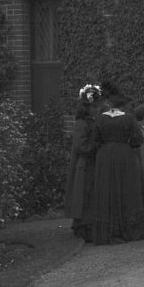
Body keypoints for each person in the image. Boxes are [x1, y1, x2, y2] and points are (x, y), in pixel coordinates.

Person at [83, 85, 144, 245]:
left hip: (104, 157)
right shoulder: (128, 118)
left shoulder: (100, 118)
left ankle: (108, 231)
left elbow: (95, 140)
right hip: (124, 156)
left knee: (107, 191)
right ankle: (129, 230)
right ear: (124, 105)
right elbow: (137, 140)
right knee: (126, 190)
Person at [64, 83, 101, 240]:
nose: (97, 109)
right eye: (94, 106)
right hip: (84, 164)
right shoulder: (82, 123)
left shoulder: (89, 122)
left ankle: (85, 224)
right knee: (84, 194)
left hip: (89, 163)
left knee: (88, 194)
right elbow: (81, 146)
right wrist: (96, 147)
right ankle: (83, 226)